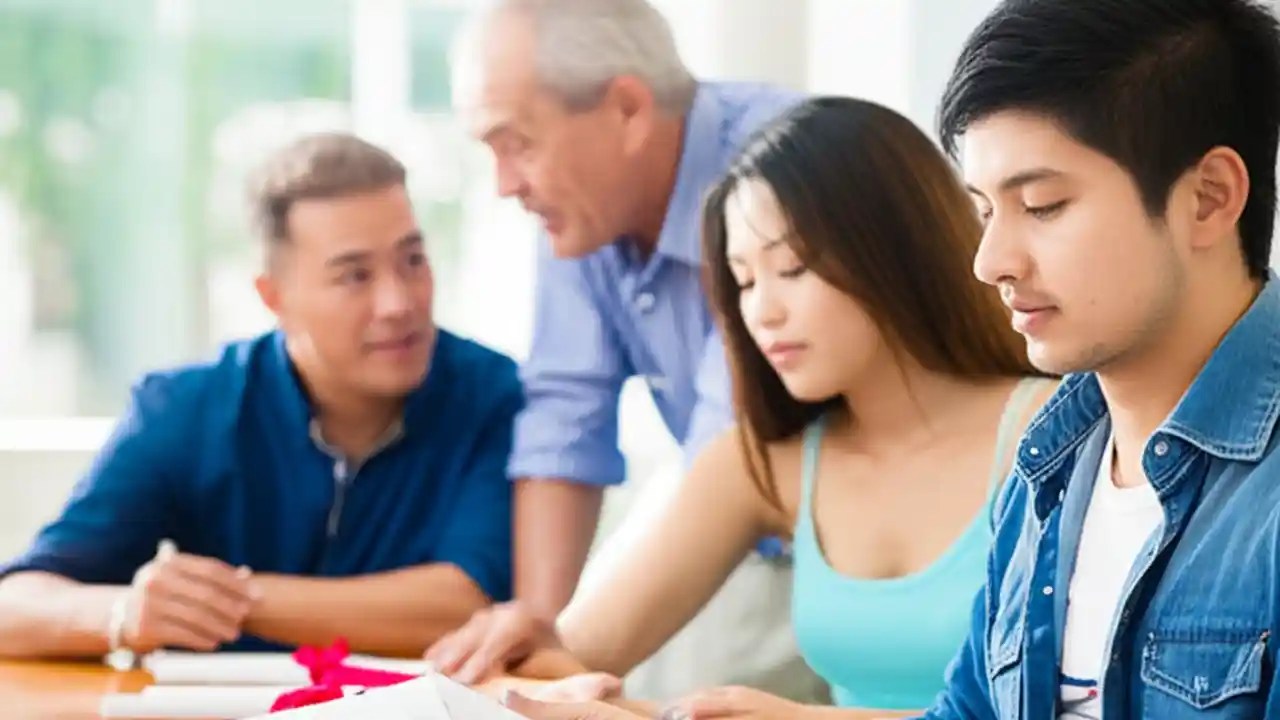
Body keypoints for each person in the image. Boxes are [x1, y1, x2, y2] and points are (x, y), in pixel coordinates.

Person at [482, 96, 1060, 720]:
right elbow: (569, 657)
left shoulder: (1054, 432)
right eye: (744, 280)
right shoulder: (763, 463)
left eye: (792, 267)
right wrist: (527, 655)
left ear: (896, 248)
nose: (762, 312)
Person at [0, 133, 522, 661]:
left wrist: (223, 599)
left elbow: (465, 603)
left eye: (413, 260)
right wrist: (124, 612)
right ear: (275, 297)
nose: (398, 302)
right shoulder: (185, 408)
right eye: (354, 276)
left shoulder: (496, 397)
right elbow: (14, 603)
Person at [432, 0, 821, 701]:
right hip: (727, 519)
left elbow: (726, 443)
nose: (504, 185)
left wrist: (560, 658)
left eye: (517, 144)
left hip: (830, 541)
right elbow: (565, 415)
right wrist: (538, 627)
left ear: (627, 110)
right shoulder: (587, 204)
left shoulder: (783, 165)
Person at [917, 0, 1280, 717]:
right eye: (985, 211)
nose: (990, 263)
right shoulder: (1048, 466)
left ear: (1208, 199)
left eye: (1042, 205)